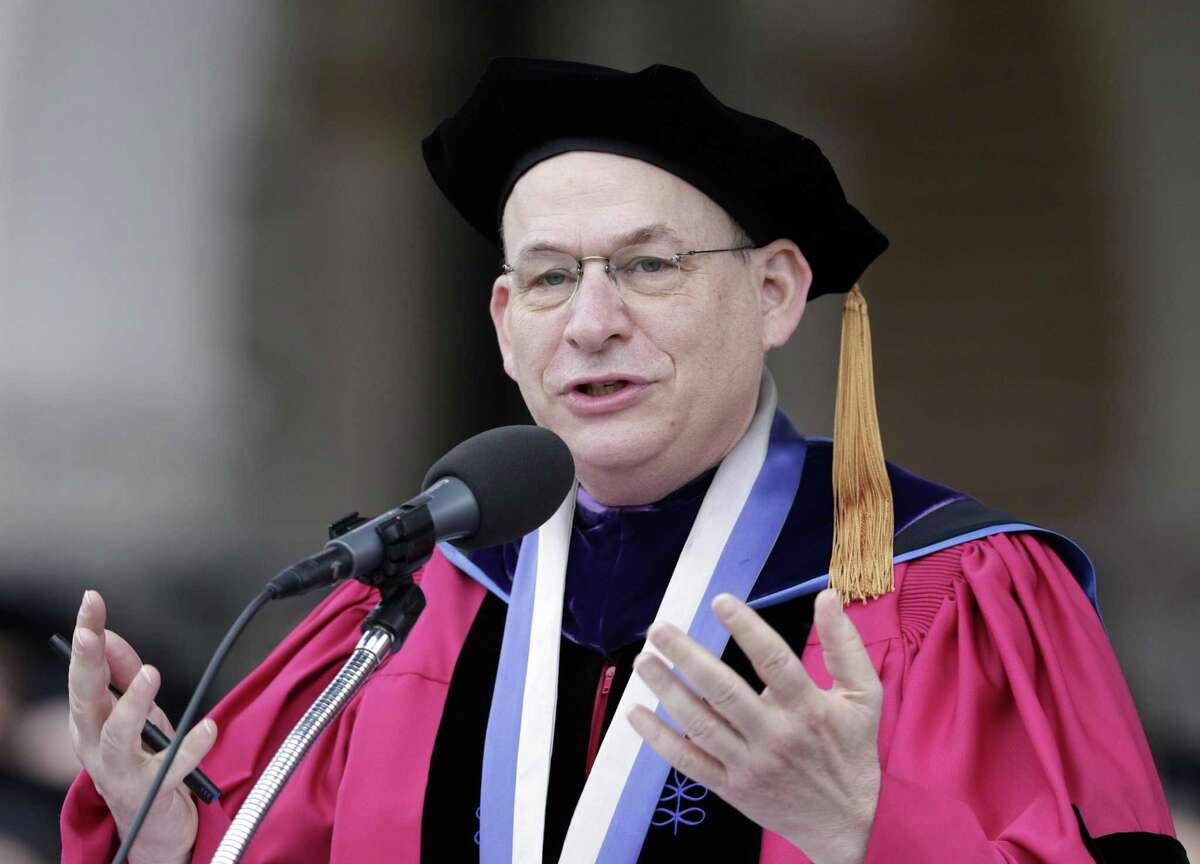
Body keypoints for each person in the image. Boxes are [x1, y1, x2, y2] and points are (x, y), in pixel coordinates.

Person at [61, 59, 1186, 863]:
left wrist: (869, 833)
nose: (590, 321)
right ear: (505, 322)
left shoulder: (953, 590)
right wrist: (172, 845)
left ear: (778, 291)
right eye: (549, 278)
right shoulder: (424, 604)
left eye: (649, 267)